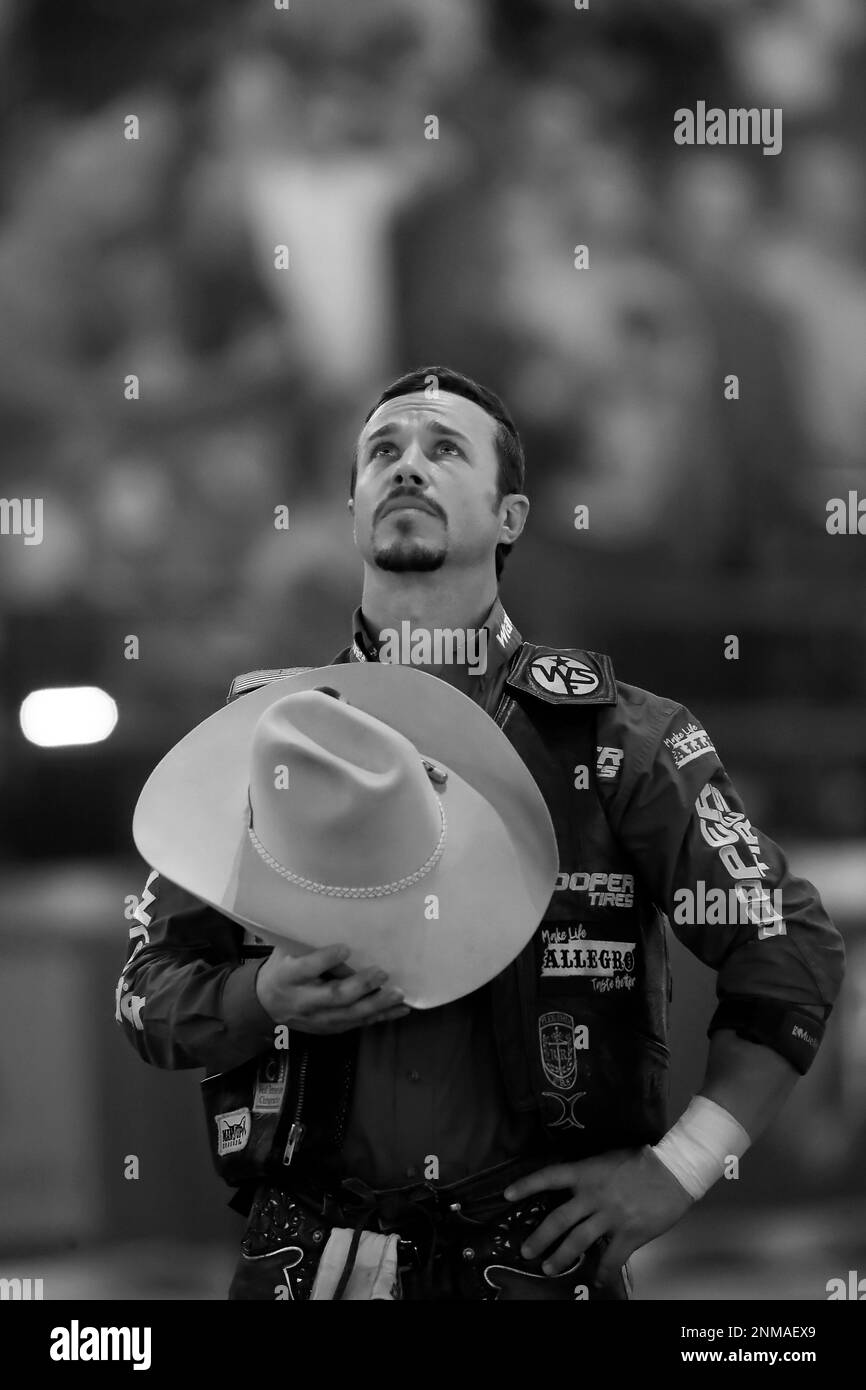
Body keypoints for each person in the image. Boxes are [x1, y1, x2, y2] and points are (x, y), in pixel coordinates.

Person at [117, 365, 845, 1301]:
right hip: (306, 1264)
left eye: (443, 449)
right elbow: (145, 992)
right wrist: (260, 994)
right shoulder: (258, 740)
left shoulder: (621, 739)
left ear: (511, 518)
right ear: (351, 510)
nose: (406, 466)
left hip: (531, 1267)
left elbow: (788, 949)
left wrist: (682, 1168)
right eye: (382, 452)